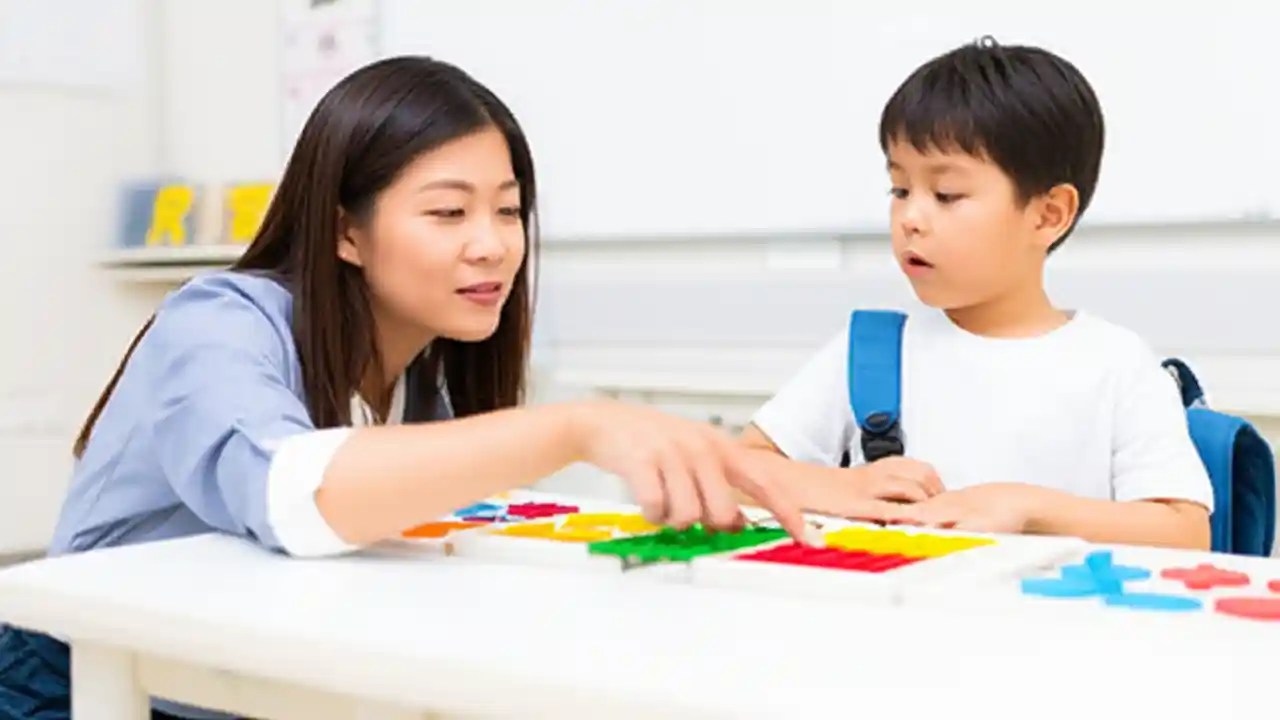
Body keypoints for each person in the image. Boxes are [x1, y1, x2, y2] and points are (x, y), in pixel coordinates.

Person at [0, 55, 826, 720]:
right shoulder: (219, 323)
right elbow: (291, 491)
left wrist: (809, 485)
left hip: (246, 683)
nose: (494, 246)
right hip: (82, 684)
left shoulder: (422, 374)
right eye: (448, 214)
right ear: (345, 232)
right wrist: (576, 426)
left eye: (508, 212)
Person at [740, 37, 1214, 549]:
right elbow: (738, 473)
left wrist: (1028, 508)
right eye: (900, 190)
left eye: (946, 195)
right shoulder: (874, 352)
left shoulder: (1115, 362)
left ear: (1048, 214)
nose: (910, 219)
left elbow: (1184, 532)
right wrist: (841, 485)